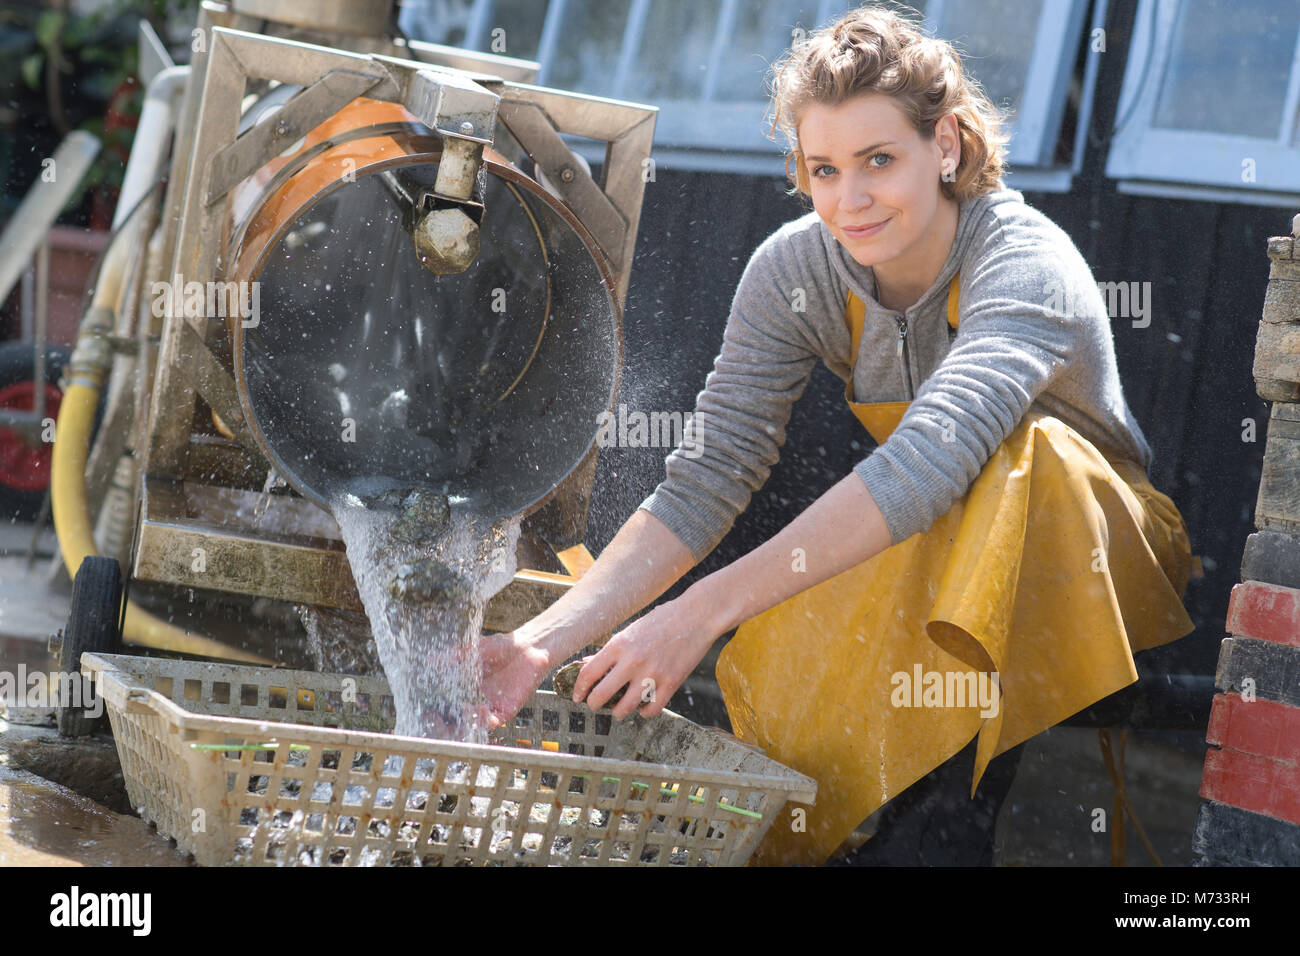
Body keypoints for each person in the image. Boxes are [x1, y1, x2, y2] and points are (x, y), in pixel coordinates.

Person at [478, 4, 1195, 866]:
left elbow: (932, 460)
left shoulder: (1023, 261)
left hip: (1100, 566)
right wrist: (538, 642)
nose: (850, 200)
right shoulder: (796, 269)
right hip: (945, 544)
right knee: (791, 627)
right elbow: (709, 475)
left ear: (949, 146)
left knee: (1014, 464)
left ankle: (937, 832)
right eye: (824, 169)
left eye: (879, 160)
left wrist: (695, 612)